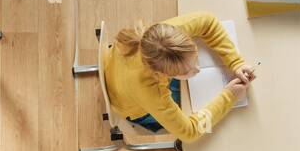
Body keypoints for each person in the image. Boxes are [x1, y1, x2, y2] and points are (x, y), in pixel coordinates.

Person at [105, 13, 256, 141]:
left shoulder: (165, 36)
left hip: (112, 65)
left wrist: (236, 62)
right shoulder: (153, 92)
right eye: (186, 72)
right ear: (162, 74)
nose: (197, 70)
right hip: (129, 107)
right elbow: (189, 133)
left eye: (195, 58)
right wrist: (229, 97)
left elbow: (209, 22)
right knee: (190, 105)